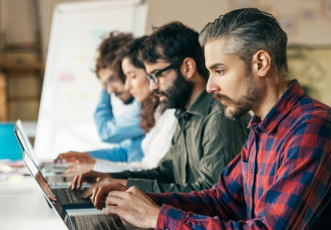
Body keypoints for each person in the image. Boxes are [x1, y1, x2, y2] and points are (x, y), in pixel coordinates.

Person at [86, 9, 331, 230]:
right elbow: (221, 201)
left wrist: (158, 217)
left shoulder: (313, 129)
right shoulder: (262, 127)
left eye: (219, 70)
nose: (210, 85)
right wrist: (141, 200)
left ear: (260, 63)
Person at [70, 22, 250, 193]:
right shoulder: (184, 114)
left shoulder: (219, 115)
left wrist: (124, 185)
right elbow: (165, 172)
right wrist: (110, 177)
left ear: (187, 68)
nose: (153, 87)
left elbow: (212, 194)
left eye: (157, 76)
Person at [77, 36, 177, 175]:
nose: (126, 85)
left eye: (132, 76)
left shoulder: (161, 112)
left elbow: (106, 132)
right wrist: (87, 160)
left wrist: (95, 166)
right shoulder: (153, 110)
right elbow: (127, 151)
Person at [58, 32, 144, 164]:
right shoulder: (139, 106)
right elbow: (125, 153)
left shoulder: (143, 108)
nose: (110, 90)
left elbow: (106, 132)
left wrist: (104, 91)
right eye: (105, 85)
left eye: (112, 79)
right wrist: (82, 157)